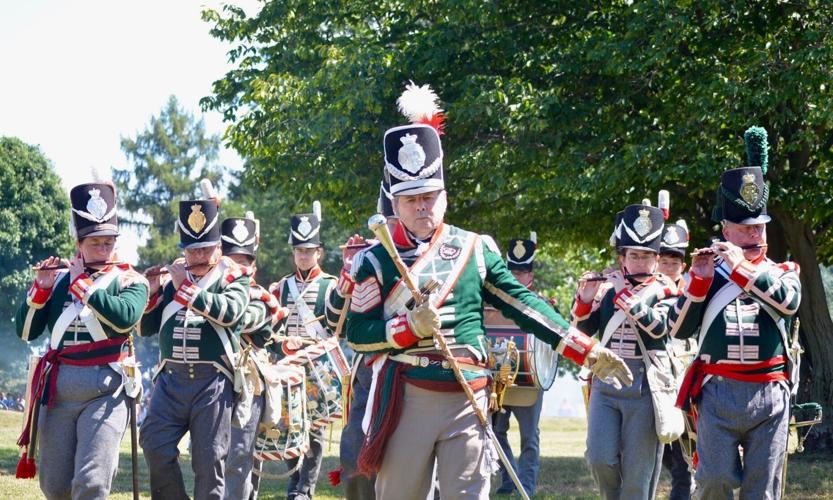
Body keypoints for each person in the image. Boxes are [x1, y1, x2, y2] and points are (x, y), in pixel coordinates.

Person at [346, 82, 632, 500]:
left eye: (431, 196)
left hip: (468, 394)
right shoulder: (374, 260)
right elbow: (358, 334)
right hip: (406, 397)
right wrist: (406, 329)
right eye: (411, 200)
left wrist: (585, 350)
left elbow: (526, 305)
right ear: (394, 202)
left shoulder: (473, 249)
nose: (423, 207)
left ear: (445, 195)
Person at [671, 127, 801, 499]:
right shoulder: (709, 271)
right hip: (718, 391)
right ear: (726, 229)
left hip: (769, 391)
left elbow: (788, 303)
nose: (753, 234)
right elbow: (679, 330)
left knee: (763, 489)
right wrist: (698, 280)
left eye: (759, 226)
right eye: (743, 228)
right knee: (713, 482)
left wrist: (741, 270)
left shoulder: (783, 272)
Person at [15, 182, 148, 499]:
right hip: (58, 390)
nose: (104, 250)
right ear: (79, 243)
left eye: (108, 243)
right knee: (54, 485)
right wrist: (41, 291)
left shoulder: (131, 280)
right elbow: (27, 332)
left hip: (106, 388)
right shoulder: (61, 279)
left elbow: (125, 317)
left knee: (92, 482)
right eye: (96, 243)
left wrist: (84, 286)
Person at [139, 193, 251, 500]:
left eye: (205, 248)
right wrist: (151, 293)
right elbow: (145, 328)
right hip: (170, 379)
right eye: (192, 250)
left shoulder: (235, 277)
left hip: (212, 381)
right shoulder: (172, 278)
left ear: (218, 248)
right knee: (153, 442)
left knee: (209, 461)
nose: (199, 255)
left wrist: (185, 289)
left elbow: (231, 313)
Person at [573, 201, 677, 499]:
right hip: (606, 380)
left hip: (646, 385)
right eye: (634, 255)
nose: (640, 263)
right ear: (623, 257)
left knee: (637, 475)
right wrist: (585, 299)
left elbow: (658, 328)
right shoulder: (607, 288)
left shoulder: (667, 289)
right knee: (599, 457)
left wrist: (622, 293)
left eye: (647, 256)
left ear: (656, 260)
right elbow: (581, 332)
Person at [269, 203, 339, 500]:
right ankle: (294, 482)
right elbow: (269, 329)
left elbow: (337, 329)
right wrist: (281, 345)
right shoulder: (281, 287)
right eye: (299, 251)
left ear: (319, 253)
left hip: (316, 366)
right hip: (287, 365)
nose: (304, 256)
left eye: (309, 251)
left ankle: (305, 489)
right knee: (290, 426)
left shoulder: (330, 286)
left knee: (315, 428)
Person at [334, 176, 394, 500]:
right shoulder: (366, 258)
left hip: (416, 366)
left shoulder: (438, 257)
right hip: (370, 368)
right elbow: (336, 321)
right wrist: (347, 277)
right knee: (355, 448)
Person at [222, 214, 286, 500]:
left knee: (239, 455)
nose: (237, 267)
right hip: (214, 379)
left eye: (243, 262)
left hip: (247, 383)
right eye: (231, 260)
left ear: (253, 266)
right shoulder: (210, 292)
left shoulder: (261, 298)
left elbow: (238, 320)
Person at [488, 233, 549, 497]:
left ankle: (527, 486)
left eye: (522, 272)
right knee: (495, 433)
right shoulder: (489, 302)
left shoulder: (541, 306)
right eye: (512, 270)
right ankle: (509, 478)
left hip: (529, 381)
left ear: (531, 276)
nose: (517, 276)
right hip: (497, 381)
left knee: (529, 438)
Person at [658, 219, 695, 500]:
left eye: (674, 263)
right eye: (664, 261)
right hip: (657, 378)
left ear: (682, 266)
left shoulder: (692, 292)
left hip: (685, 379)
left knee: (683, 448)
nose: (669, 268)